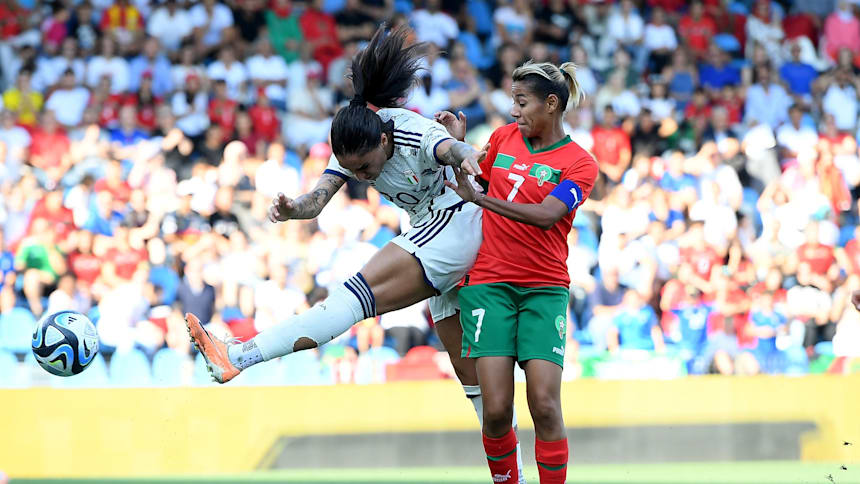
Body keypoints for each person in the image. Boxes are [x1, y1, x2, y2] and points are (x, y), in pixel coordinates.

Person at [184, 26, 528, 483]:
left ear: (384, 142)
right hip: (434, 233)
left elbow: (449, 147)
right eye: (352, 169)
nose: (362, 176)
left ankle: (239, 356)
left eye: (365, 167)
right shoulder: (352, 143)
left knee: (350, 299)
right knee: (480, 391)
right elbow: (317, 200)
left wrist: (466, 151)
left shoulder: (411, 130)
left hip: (456, 222)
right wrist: (294, 209)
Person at [441, 60, 597, 484]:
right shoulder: (502, 138)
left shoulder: (580, 163)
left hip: (544, 290)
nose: (514, 111)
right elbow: (472, 182)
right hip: (489, 285)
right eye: (513, 101)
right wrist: (458, 149)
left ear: (552, 104)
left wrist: (480, 199)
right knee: (495, 411)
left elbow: (546, 215)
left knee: (544, 405)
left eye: (522, 102)